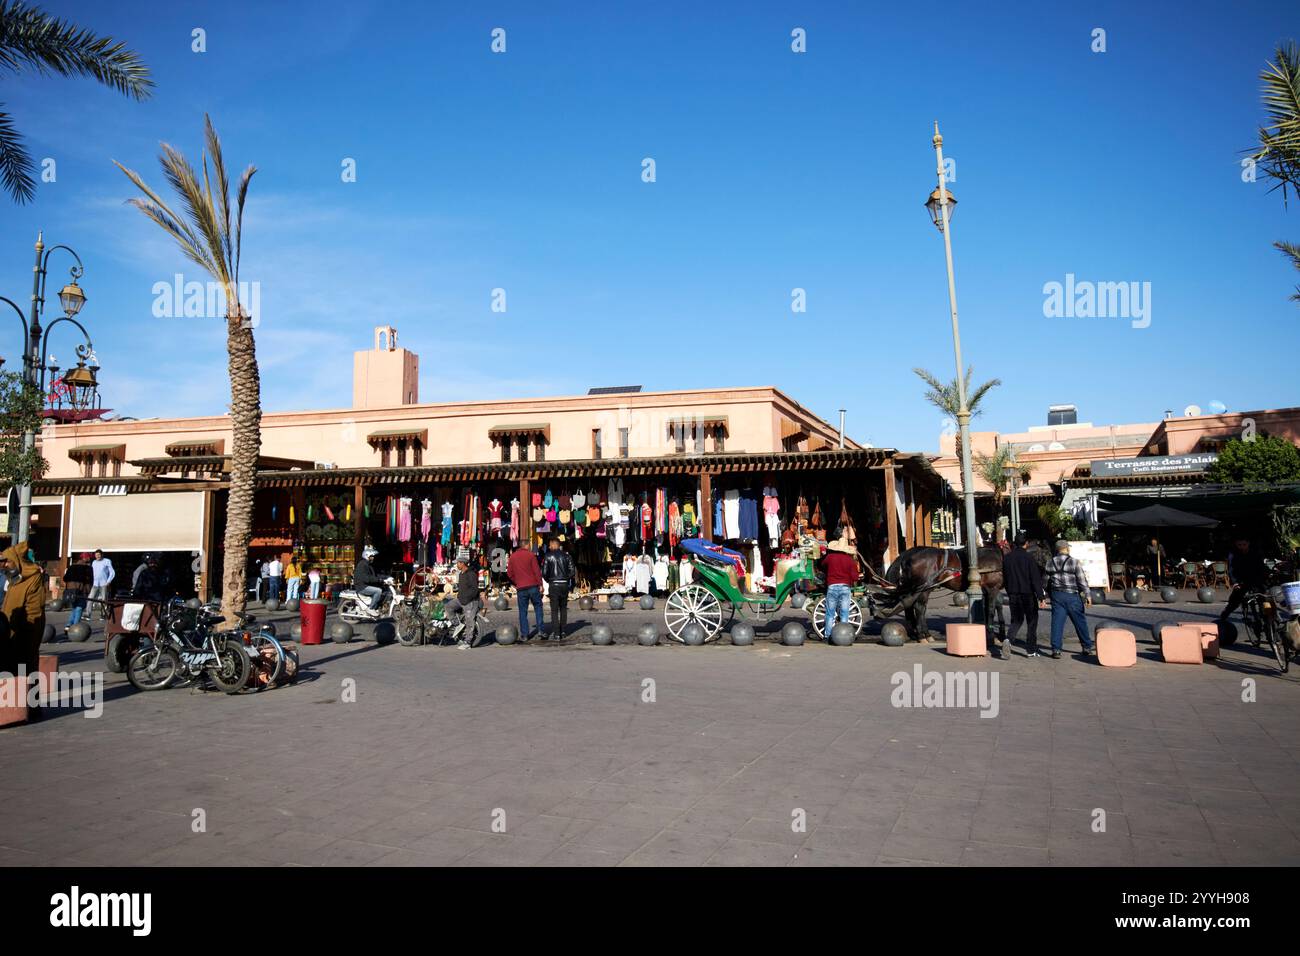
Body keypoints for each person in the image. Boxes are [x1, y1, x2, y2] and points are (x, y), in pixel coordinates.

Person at [1, 541, 47, 720]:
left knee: (27, 671)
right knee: (13, 671)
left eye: (8, 562)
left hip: (27, 633)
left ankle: (32, 710)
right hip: (11, 633)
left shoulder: (33, 578)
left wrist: (27, 635)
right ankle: (15, 710)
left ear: (17, 561)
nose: (5, 565)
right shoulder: (14, 580)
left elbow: (34, 612)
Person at [1045, 540, 1094, 659]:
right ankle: (1086, 647)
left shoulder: (1050, 563)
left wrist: (1046, 595)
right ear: (1066, 549)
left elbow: (1045, 581)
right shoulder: (1074, 562)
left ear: (1057, 549)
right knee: (1080, 622)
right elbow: (1081, 580)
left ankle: (1056, 650)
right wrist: (1088, 595)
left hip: (1057, 596)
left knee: (1057, 623)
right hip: (1072, 595)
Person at [1002, 532, 1045, 659]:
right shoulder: (1029, 558)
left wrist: (1010, 592)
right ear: (1026, 544)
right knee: (1032, 622)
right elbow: (1035, 579)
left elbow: (1006, 578)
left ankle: (1008, 639)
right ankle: (1031, 650)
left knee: (1016, 620)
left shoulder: (1007, 559)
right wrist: (1041, 597)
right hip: (1028, 595)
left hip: (1013, 594)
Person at [1220, 537, 1268, 623]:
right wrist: (1234, 582)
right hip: (1242, 580)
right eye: (1239, 545)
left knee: (1263, 599)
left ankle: (1267, 622)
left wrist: (1264, 578)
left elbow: (1261, 567)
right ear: (1236, 545)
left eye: (1244, 545)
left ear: (1248, 544)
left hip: (1256, 579)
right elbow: (1231, 569)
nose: (1242, 547)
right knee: (1234, 601)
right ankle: (1223, 616)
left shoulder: (1255, 552)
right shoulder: (1233, 554)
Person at [819, 537, 859, 638]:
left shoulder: (830, 557)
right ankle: (843, 635)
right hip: (845, 588)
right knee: (845, 613)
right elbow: (855, 577)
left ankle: (827, 635)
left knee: (830, 613)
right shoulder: (850, 560)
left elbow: (822, 566)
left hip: (832, 587)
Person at [507, 542, 544, 641]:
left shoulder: (513, 557)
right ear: (527, 545)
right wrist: (540, 584)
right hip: (533, 586)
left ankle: (525, 634)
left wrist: (517, 582)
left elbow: (509, 573)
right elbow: (537, 571)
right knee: (538, 607)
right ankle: (541, 631)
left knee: (523, 611)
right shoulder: (531, 555)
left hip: (521, 587)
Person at [541, 537, 576, 640]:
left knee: (554, 609)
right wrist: (566, 578)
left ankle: (556, 633)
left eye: (550, 545)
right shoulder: (567, 556)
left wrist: (549, 580)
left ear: (553, 545)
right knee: (563, 608)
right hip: (564, 584)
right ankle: (563, 631)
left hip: (554, 584)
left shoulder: (548, 556)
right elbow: (572, 571)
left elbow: (544, 573)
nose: (549, 547)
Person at [446, 554, 483, 648]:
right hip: (460, 600)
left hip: (470, 601)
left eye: (457, 563)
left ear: (462, 564)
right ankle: (457, 624)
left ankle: (468, 642)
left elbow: (474, 590)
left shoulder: (471, 574)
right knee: (448, 606)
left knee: (470, 621)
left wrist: (466, 599)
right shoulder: (461, 574)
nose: (456, 565)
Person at [62, 553, 93, 629]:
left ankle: (69, 625)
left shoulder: (72, 566)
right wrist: (88, 591)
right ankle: (75, 627)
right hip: (81, 589)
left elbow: (65, 578)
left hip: (71, 590)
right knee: (79, 607)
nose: (90, 559)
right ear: (85, 558)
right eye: (89, 557)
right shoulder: (88, 568)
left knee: (75, 607)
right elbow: (89, 581)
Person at [89, 548, 115, 619]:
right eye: (96, 555)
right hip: (95, 583)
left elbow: (112, 572)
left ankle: (103, 614)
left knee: (104, 600)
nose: (97, 556)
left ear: (102, 555)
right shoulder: (94, 562)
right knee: (90, 598)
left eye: (99, 555)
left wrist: (108, 581)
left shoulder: (107, 561)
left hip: (104, 583)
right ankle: (88, 614)